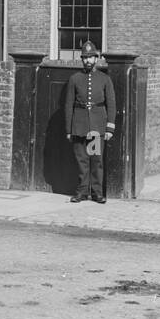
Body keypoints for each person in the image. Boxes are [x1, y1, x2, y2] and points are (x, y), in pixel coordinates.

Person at [63, 41, 116, 203]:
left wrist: (109, 128)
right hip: (79, 127)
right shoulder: (74, 79)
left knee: (96, 161)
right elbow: (68, 105)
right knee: (82, 161)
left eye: (90, 57)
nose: (87, 60)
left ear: (96, 59)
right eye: (85, 58)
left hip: (96, 127)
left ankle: (97, 193)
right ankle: (82, 192)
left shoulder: (104, 79)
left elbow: (111, 104)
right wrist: (68, 129)